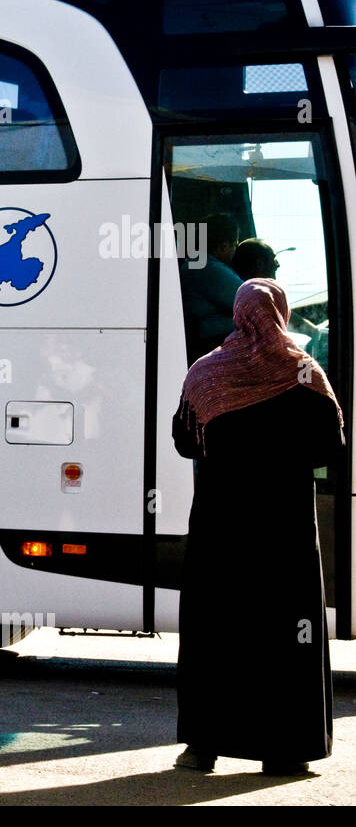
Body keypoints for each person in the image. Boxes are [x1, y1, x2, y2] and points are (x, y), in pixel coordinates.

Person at [172, 278, 344, 776]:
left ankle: (202, 747)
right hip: (282, 529)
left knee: (214, 631)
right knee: (286, 634)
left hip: (220, 527)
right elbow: (331, 448)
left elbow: (186, 442)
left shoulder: (206, 373)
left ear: (236, 313)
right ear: (281, 314)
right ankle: (285, 750)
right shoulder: (303, 373)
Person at [180, 212, 242, 362]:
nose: (234, 251)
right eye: (234, 245)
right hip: (210, 349)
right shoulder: (207, 269)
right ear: (223, 246)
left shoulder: (195, 265)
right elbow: (250, 300)